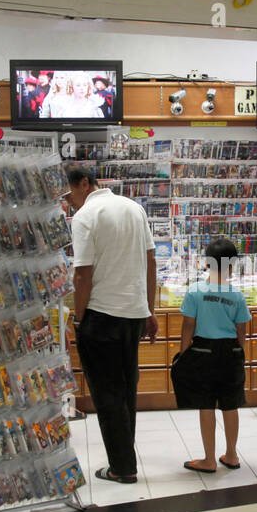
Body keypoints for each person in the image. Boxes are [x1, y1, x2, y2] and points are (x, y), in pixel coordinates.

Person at [65, 165, 158, 483]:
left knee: (106, 395)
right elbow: (150, 261)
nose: (69, 202)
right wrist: (150, 309)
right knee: (126, 390)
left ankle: (122, 467)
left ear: (83, 184)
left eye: (69, 194)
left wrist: (78, 318)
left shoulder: (85, 217)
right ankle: (124, 460)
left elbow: (82, 275)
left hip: (100, 316)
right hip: (133, 314)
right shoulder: (134, 208)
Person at [176, 238, 251, 473]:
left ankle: (209, 459)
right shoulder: (237, 295)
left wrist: (183, 353)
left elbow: (188, 326)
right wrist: (240, 353)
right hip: (230, 352)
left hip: (202, 352)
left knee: (205, 404)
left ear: (207, 263)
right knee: (231, 404)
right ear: (232, 265)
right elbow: (242, 331)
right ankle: (231, 454)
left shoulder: (195, 291)